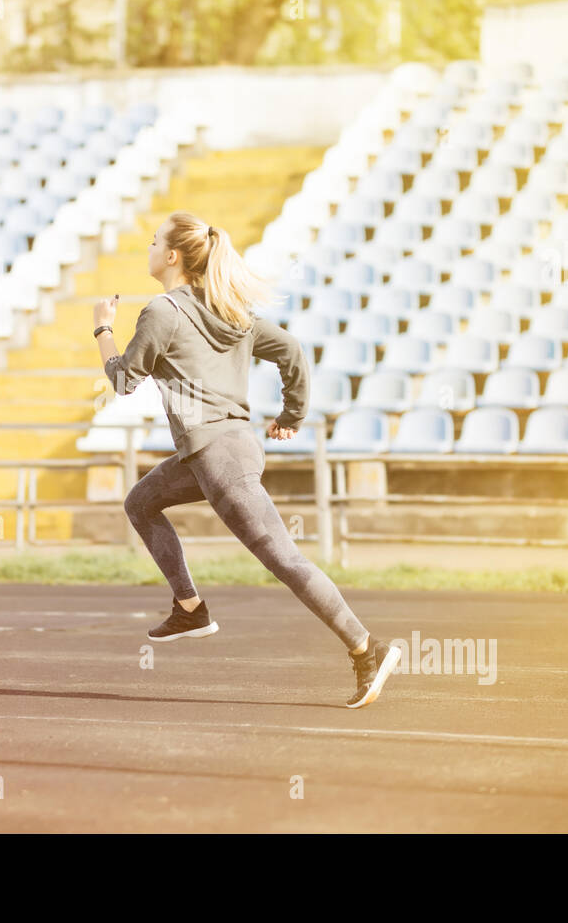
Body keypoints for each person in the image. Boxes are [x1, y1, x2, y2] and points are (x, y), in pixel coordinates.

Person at [93, 211, 401, 708]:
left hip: (219, 459)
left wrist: (102, 329)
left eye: (154, 242)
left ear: (172, 257)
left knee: (285, 560)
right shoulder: (228, 311)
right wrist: (292, 413)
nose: (148, 249)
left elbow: (124, 380)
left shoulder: (162, 312)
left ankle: (367, 649)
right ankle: (190, 608)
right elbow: (293, 351)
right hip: (213, 453)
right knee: (141, 502)